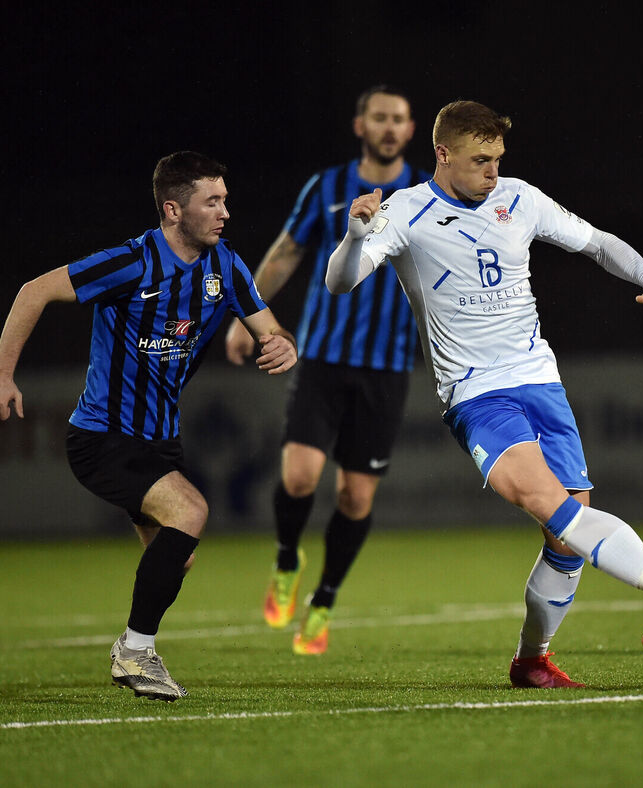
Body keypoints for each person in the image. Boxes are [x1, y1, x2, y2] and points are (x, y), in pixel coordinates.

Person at [325, 99, 643, 689]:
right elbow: (341, 281)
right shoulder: (406, 211)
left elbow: (597, 242)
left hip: (541, 381)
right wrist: (356, 236)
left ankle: (532, 660)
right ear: (443, 154)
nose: (492, 170)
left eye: (498, 158)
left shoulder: (519, 198)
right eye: (480, 159)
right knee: (546, 502)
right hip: (476, 393)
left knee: (568, 535)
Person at [0, 151, 298, 700]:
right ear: (173, 209)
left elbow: (268, 327)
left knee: (179, 554)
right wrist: (1, 375)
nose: (224, 213)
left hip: (159, 439)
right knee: (191, 511)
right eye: (210, 202)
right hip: (103, 437)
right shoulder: (131, 263)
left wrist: (281, 344)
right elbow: (35, 291)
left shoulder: (227, 267)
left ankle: (137, 645)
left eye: (225, 200)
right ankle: (134, 652)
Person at [226, 86, 430, 655]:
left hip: (386, 368)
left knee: (355, 499)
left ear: (412, 130)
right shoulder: (327, 186)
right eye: (379, 117)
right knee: (297, 480)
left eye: (399, 118)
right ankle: (288, 559)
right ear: (360, 124)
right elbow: (288, 251)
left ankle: (323, 602)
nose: (389, 127)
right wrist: (249, 319)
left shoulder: (425, 194)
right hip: (321, 357)